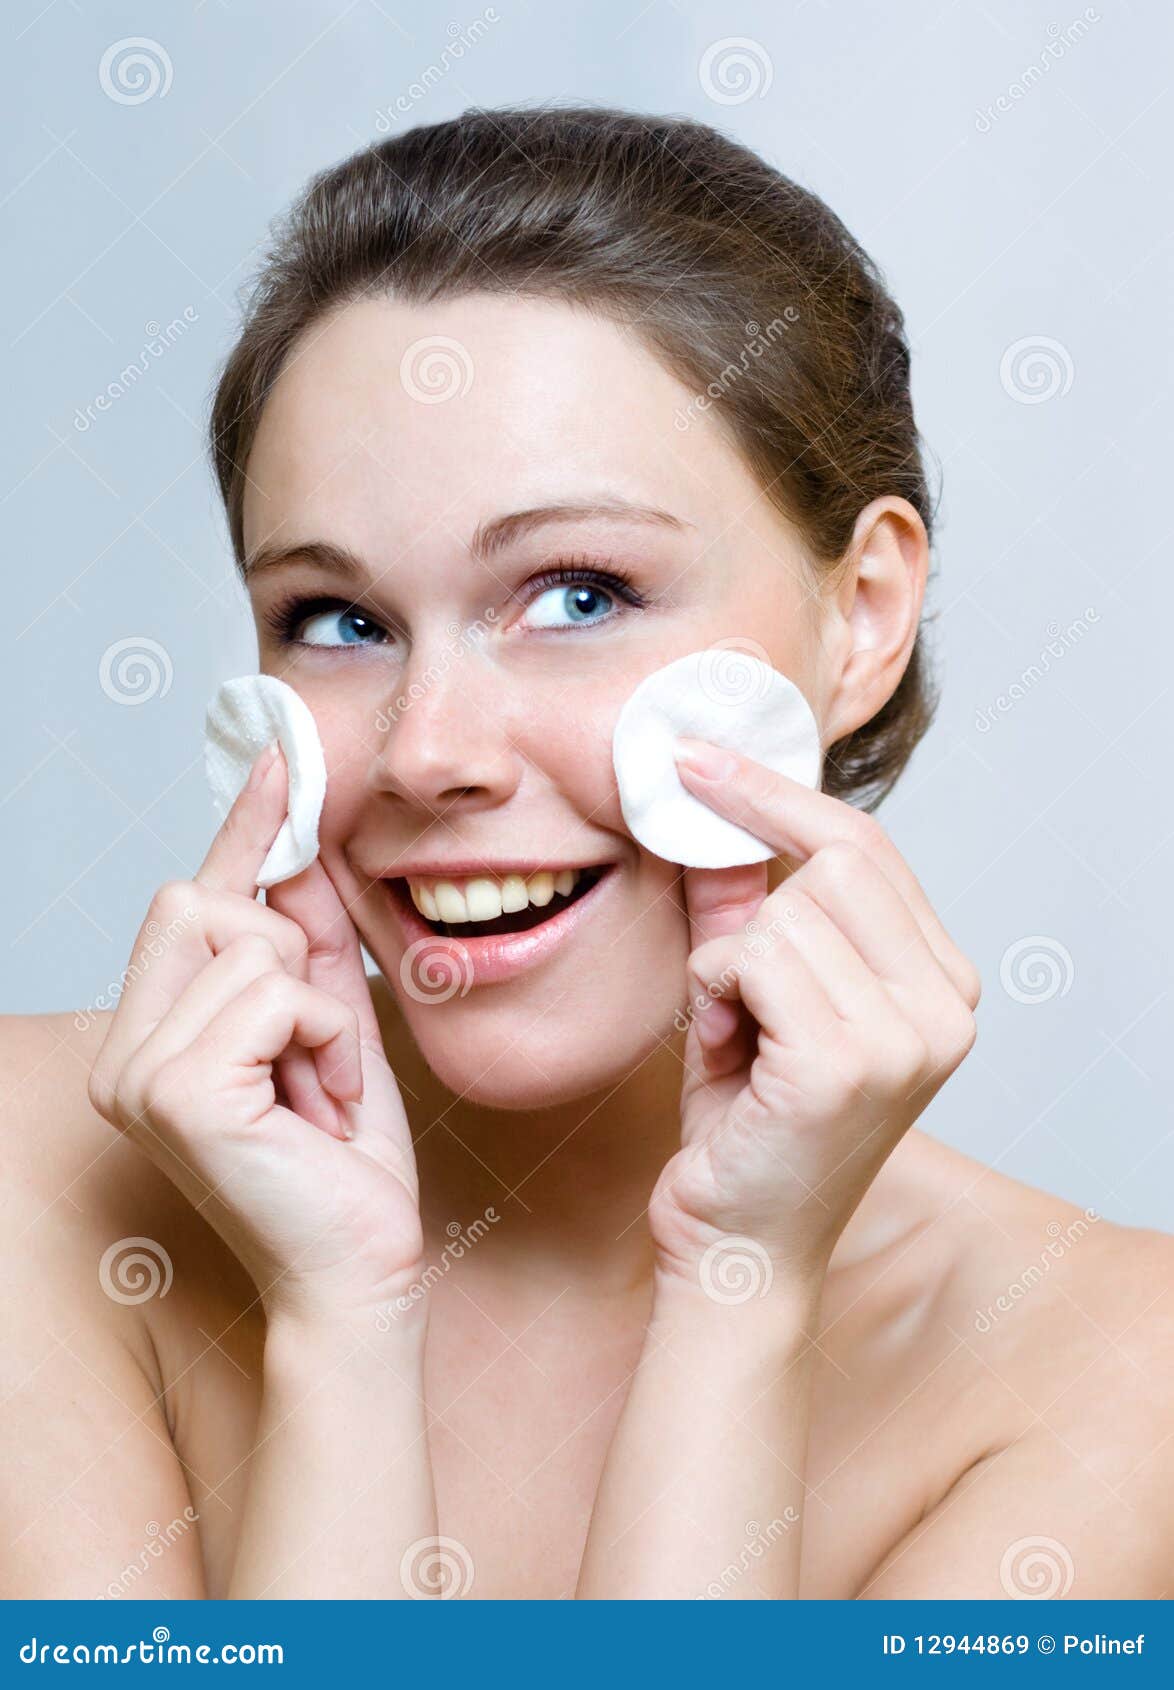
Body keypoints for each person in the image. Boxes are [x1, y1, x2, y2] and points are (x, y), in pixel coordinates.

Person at [3, 105, 1171, 1601]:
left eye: (576, 594)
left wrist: (735, 1294)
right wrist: (341, 1322)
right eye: (338, 621)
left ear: (864, 610)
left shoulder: (1109, 1364)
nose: (428, 751)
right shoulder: (35, 1187)